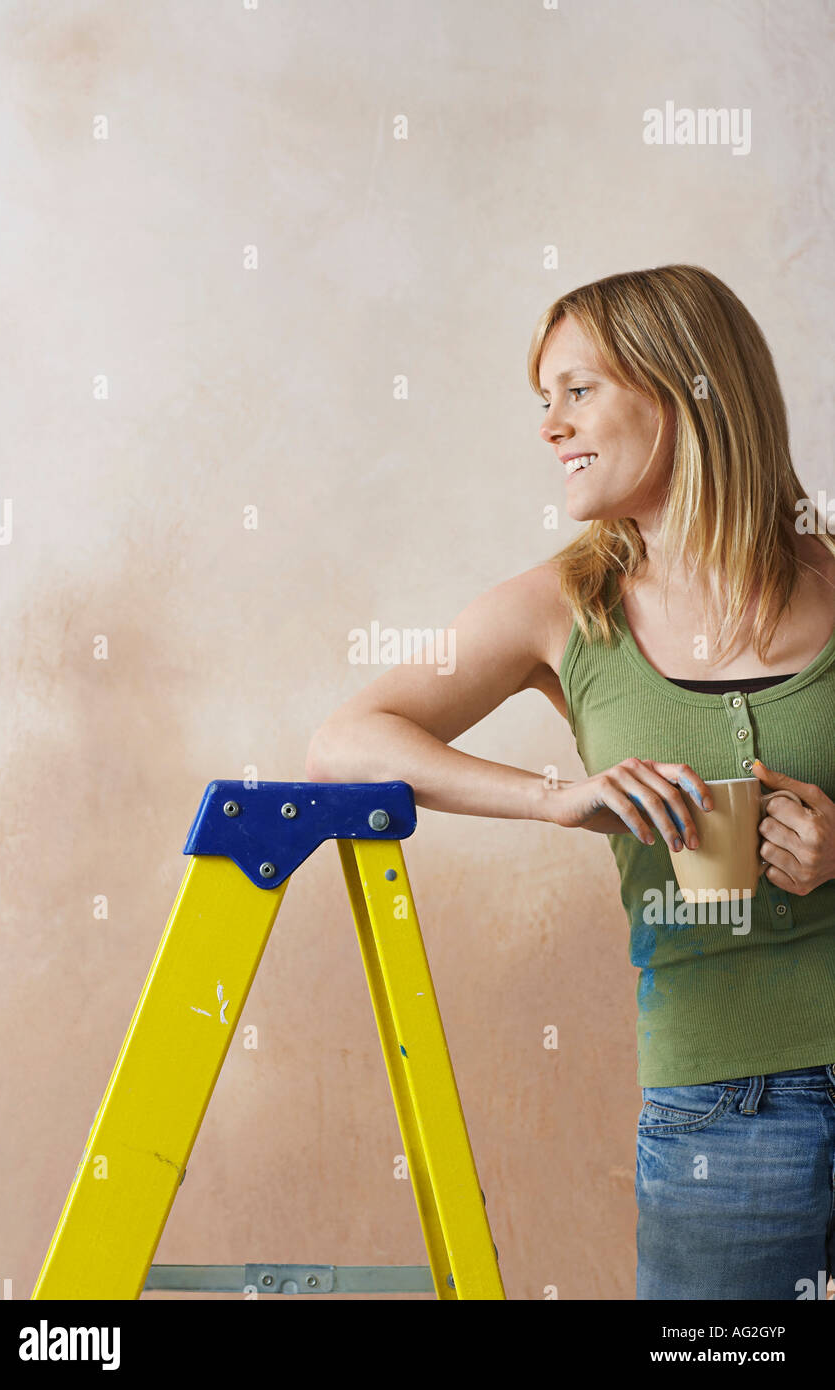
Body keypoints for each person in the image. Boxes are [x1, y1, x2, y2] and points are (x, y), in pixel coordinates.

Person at [305, 264, 835, 1300]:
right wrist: (553, 797)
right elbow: (345, 742)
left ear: (686, 389)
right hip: (720, 1110)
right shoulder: (563, 606)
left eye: (577, 391)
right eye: (542, 399)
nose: (549, 426)